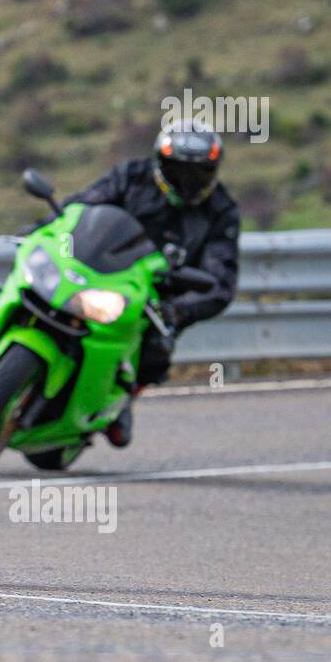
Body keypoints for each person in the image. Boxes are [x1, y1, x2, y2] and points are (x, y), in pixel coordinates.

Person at [60, 118, 239, 446]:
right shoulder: (131, 176)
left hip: (161, 297)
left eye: (198, 173)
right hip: (104, 269)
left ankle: (121, 403)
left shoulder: (220, 211)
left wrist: (177, 311)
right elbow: (84, 204)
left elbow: (220, 281)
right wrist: (48, 227)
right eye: (178, 170)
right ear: (160, 162)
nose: (188, 181)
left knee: (156, 351)